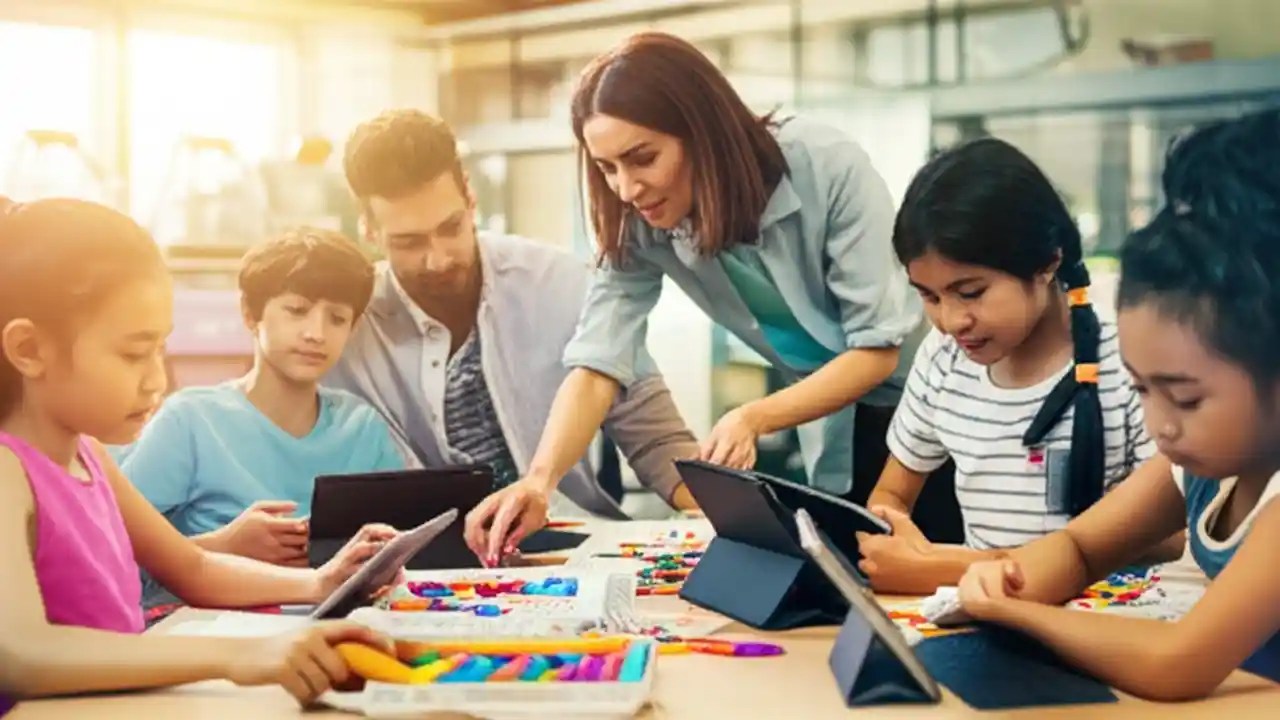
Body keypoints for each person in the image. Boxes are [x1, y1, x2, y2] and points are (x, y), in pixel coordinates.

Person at [465, 31, 933, 564]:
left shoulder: (826, 164)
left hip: (928, 406)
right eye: (606, 167)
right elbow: (599, 361)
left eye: (642, 158)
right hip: (830, 415)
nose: (625, 188)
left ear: (702, 132)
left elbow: (878, 348)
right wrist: (540, 482)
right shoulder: (637, 222)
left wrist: (751, 417)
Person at [0, 199, 393, 707]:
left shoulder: (89, 457)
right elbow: (22, 653)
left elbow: (194, 569)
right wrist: (234, 656)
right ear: (30, 350)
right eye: (132, 354)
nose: (156, 380)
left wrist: (320, 583)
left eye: (160, 350)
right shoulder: (8, 472)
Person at [957, 109, 1280, 699]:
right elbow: (1080, 548)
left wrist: (1018, 616)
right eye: (1139, 388)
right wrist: (1013, 578)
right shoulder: (1200, 465)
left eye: (1185, 397)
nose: (1160, 427)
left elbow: (1178, 664)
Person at [327, 109, 701, 539]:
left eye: (451, 227)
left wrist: (724, 520)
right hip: (422, 569)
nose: (439, 258)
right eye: (408, 242)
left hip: (573, 546)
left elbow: (655, 437)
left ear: (470, 197)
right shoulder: (346, 327)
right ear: (369, 230)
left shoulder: (561, 283)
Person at [858, 138, 1167, 594]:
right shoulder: (942, 361)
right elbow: (890, 496)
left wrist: (951, 567)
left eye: (971, 292)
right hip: (984, 611)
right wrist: (897, 536)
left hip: (1109, 617)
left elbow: (1172, 536)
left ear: (1047, 263)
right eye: (928, 296)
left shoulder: (1130, 361)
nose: (949, 321)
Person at [118, 228, 406, 566]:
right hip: (212, 616)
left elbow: (398, 544)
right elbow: (110, 552)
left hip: (340, 613)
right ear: (249, 314)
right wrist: (223, 546)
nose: (316, 333)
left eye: (337, 319)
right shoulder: (190, 421)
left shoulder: (361, 426)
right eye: (297, 310)